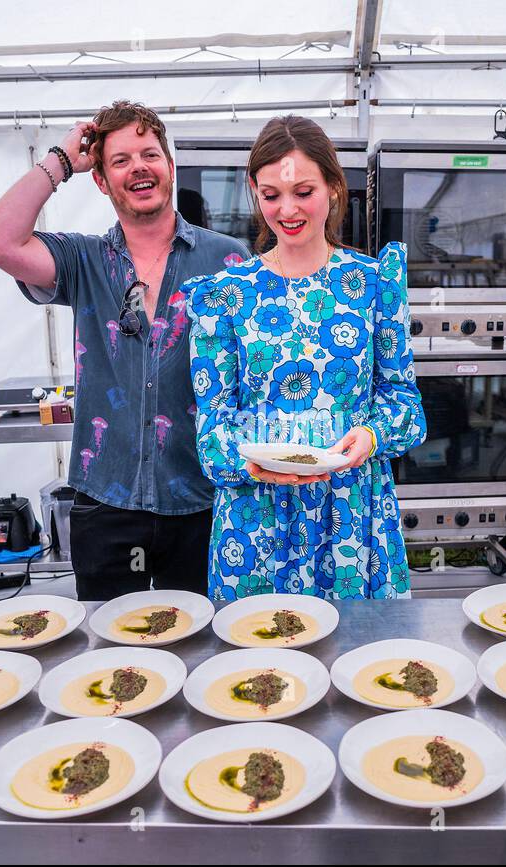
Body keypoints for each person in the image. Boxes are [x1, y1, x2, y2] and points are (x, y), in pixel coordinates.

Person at [0, 100, 248, 600]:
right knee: (108, 654)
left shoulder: (230, 259)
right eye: (120, 160)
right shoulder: (83, 260)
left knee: (205, 655)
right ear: (100, 180)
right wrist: (59, 160)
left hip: (205, 501)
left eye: (150, 154)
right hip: (107, 503)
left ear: (169, 165)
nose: (138, 167)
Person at [183, 115, 426, 600]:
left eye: (304, 192)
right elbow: (211, 433)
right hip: (256, 525)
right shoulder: (226, 296)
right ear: (254, 192)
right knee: (260, 671)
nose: (288, 209)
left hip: (352, 520)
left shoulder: (374, 284)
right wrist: (251, 462)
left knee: (357, 668)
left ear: (335, 188)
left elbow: (407, 407)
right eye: (271, 195)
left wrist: (373, 434)